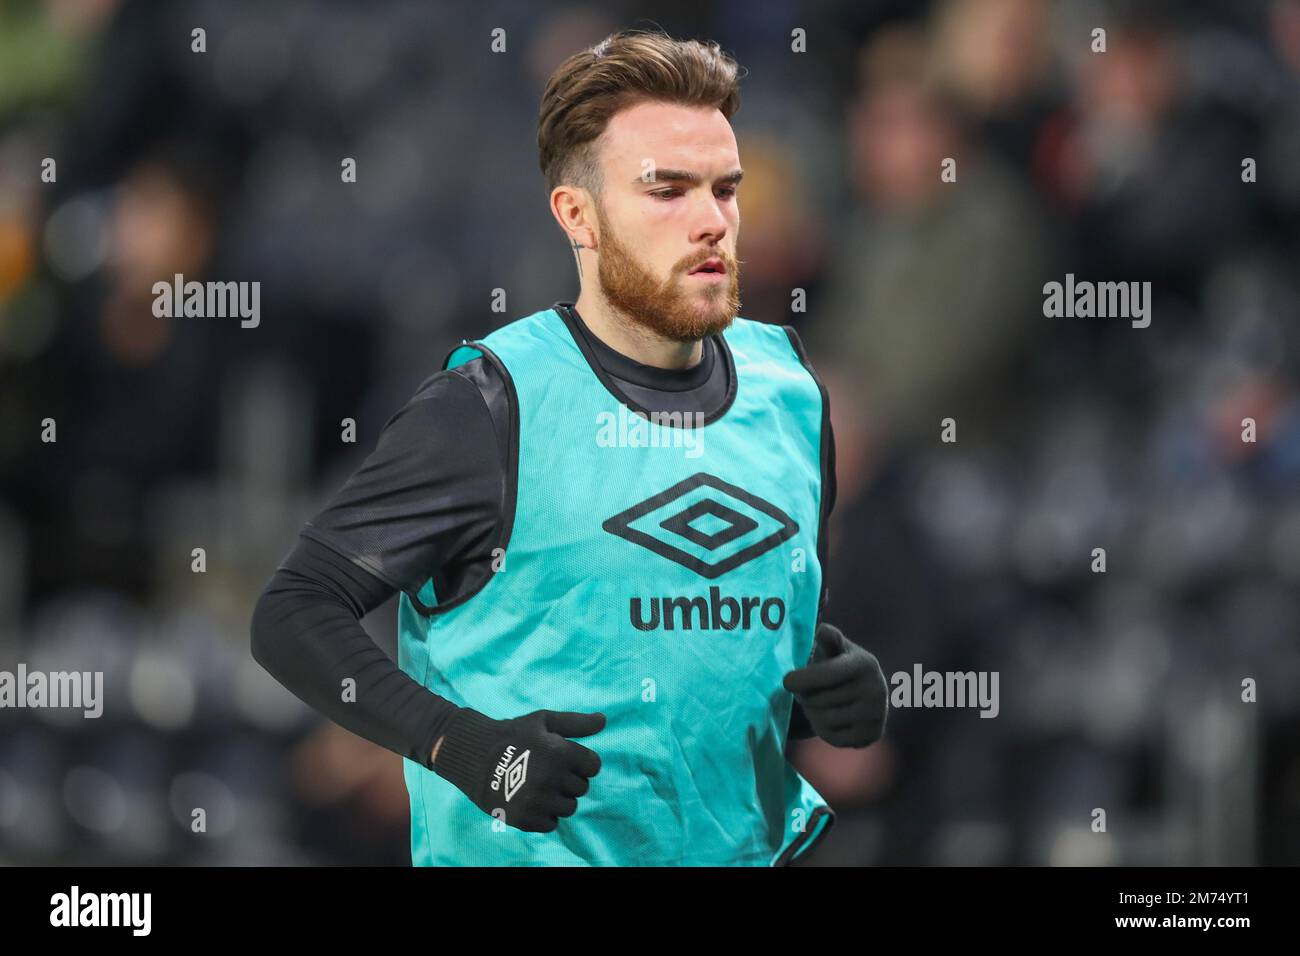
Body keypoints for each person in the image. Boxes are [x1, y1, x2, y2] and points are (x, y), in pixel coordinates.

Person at [250, 28, 888, 867]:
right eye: (668, 190)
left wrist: (833, 692)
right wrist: (459, 746)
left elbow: (704, 640)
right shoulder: (491, 404)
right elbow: (291, 612)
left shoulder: (792, 392)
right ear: (576, 214)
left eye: (725, 189)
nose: (712, 221)